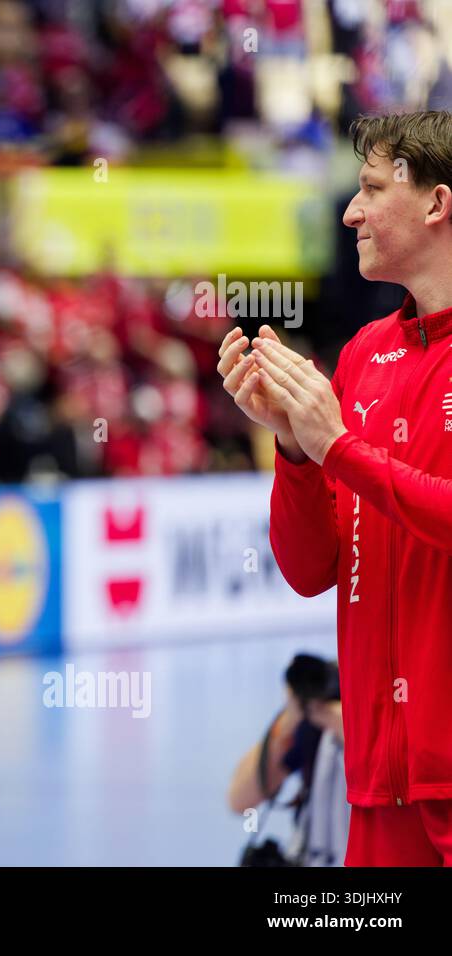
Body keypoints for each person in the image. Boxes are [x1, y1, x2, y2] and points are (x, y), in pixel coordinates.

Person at [218, 110, 452, 866]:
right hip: (376, 782)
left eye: (371, 189)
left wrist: (338, 448)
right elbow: (312, 570)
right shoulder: (363, 354)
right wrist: (294, 447)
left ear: (437, 204)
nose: (350, 211)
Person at [228, 654, 349, 866]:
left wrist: (340, 720)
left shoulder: (380, 712)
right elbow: (239, 799)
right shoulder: (312, 724)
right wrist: (289, 721)